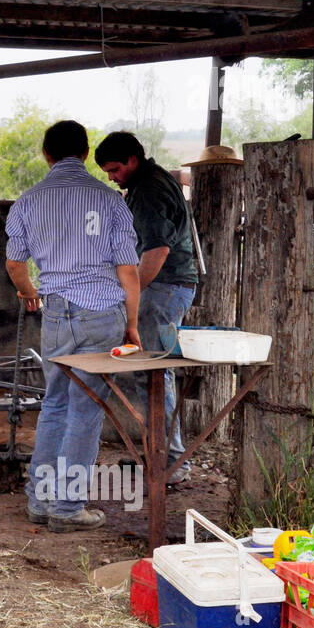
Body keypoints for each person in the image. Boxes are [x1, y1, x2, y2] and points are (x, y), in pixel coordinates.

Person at [4, 121, 141, 532]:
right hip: (100, 315)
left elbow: (14, 263)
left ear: (47, 154)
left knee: (55, 405)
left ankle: (41, 501)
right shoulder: (111, 200)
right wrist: (132, 324)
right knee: (85, 411)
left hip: (56, 314)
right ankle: (67, 509)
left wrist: (29, 291)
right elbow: (128, 270)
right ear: (85, 153)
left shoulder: (28, 202)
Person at [94, 131, 200, 485]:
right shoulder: (146, 184)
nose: (111, 176)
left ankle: (169, 463)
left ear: (133, 160)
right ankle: (160, 456)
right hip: (168, 286)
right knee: (152, 373)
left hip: (164, 287)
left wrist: (130, 296)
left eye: (114, 169)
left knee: (155, 373)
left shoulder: (150, 192)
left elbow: (156, 252)